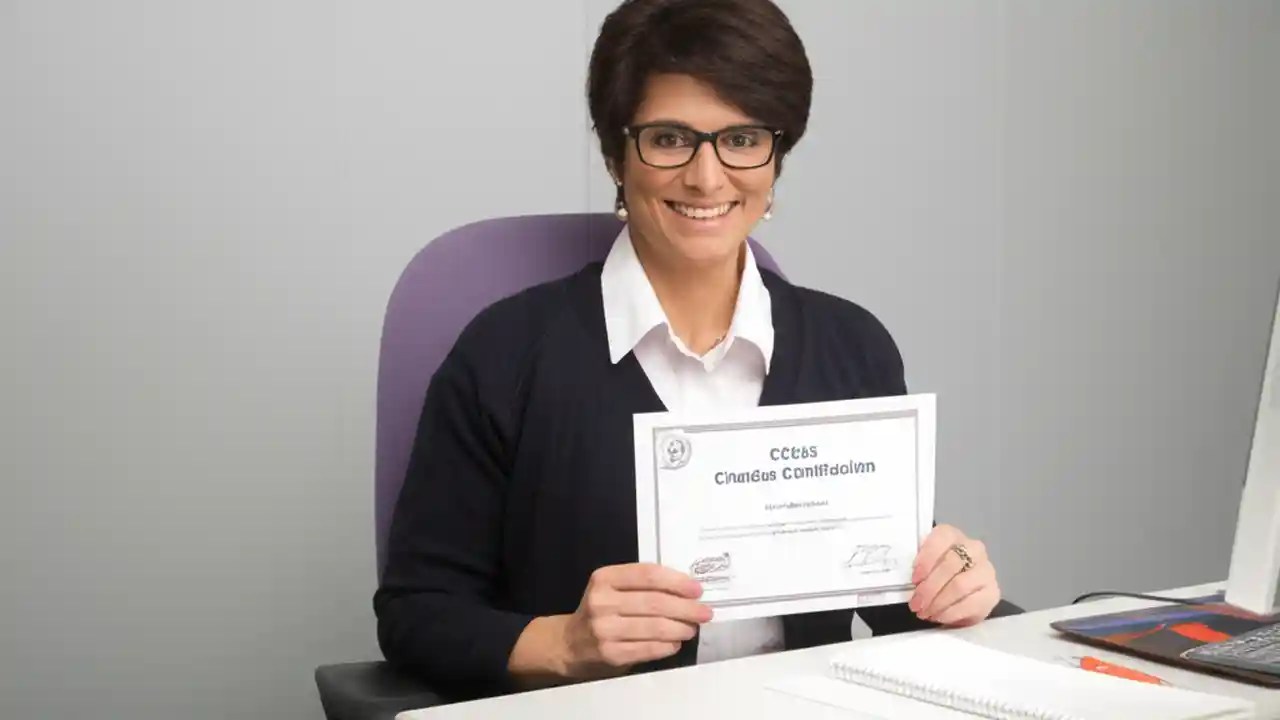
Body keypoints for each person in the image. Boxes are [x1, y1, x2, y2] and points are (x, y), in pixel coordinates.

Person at [374, 0, 1003, 702]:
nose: (707, 178)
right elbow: (416, 613)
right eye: (670, 139)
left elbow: (893, 599)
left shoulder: (852, 348)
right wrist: (565, 645)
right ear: (617, 152)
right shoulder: (505, 354)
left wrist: (952, 586)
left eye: (741, 139)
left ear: (777, 153)